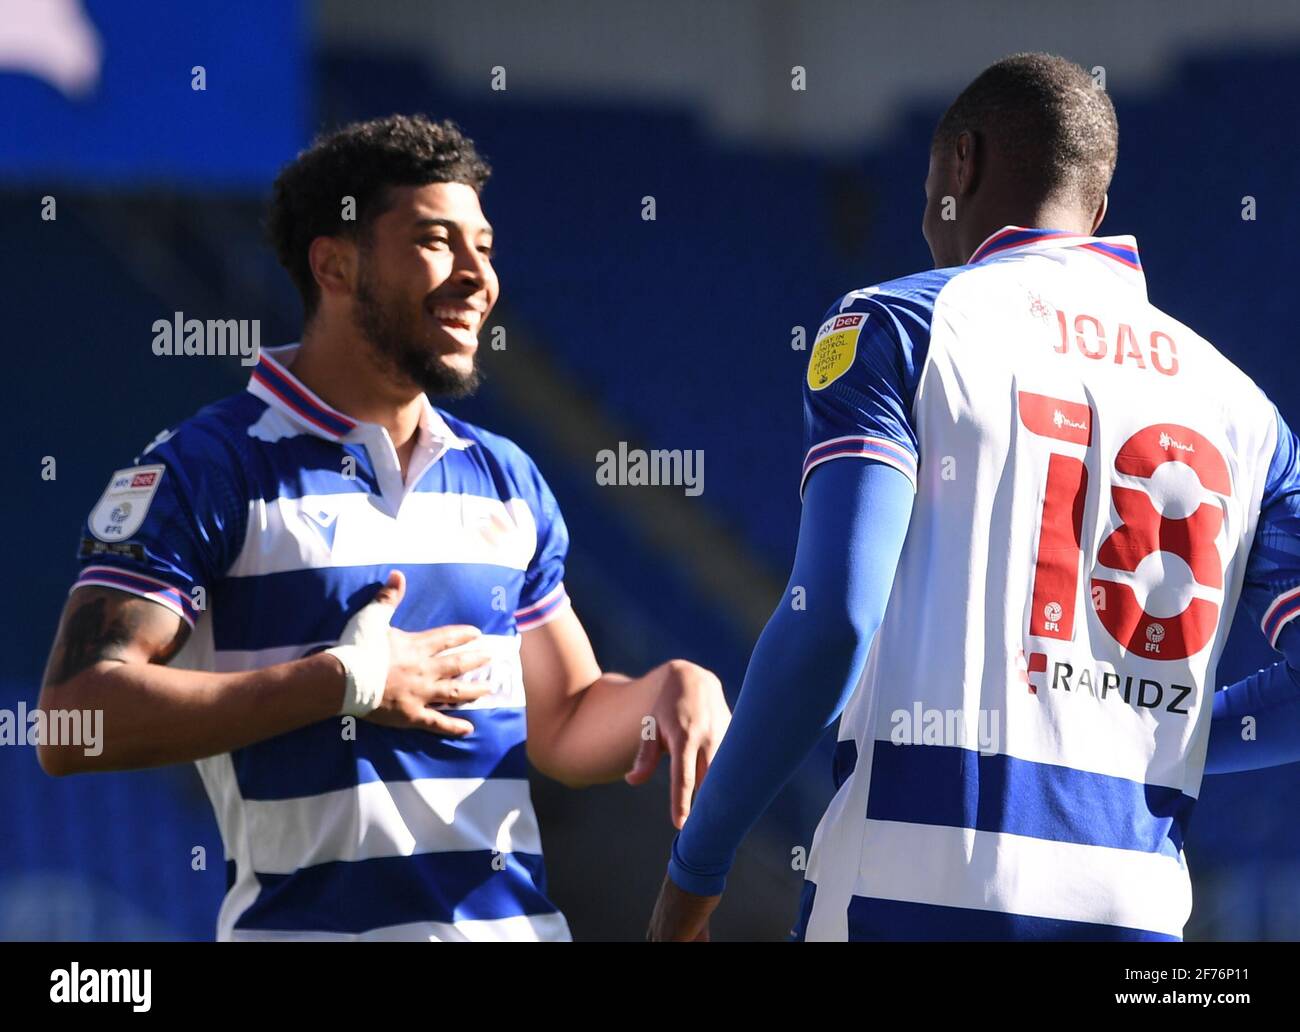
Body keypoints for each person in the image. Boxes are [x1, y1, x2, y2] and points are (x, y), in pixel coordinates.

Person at [649, 52, 1300, 941]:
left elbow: (832, 620)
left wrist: (696, 871)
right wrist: (1151, 743)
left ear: (962, 164)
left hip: (911, 894)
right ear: (1097, 211)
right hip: (1140, 922)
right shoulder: (1246, 411)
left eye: (926, 186)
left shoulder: (900, 324)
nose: (925, 220)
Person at [37, 114, 730, 942]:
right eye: (437, 241)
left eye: (485, 246)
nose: (479, 277)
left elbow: (568, 721)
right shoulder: (205, 468)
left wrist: (667, 692)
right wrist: (343, 680)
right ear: (334, 263)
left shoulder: (507, 477)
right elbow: (71, 720)